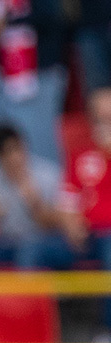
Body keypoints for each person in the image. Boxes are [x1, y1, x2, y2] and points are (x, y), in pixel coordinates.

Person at [0, 125, 80, 269]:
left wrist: (35, 204)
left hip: (42, 241)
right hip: (3, 243)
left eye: (17, 149)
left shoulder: (47, 174)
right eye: (7, 153)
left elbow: (61, 223)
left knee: (29, 249)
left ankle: (26, 292)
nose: (14, 157)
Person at [0, 0, 69, 166]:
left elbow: (55, 16)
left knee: (39, 154)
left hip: (35, 78)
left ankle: (42, 192)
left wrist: (4, 20)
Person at [65, 89, 111, 272]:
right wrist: (70, 224)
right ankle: (28, 302)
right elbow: (66, 202)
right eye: (99, 119)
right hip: (86, 236)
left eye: (109, 118)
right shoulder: (80, 156)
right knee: (34, 249)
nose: (105, 125)